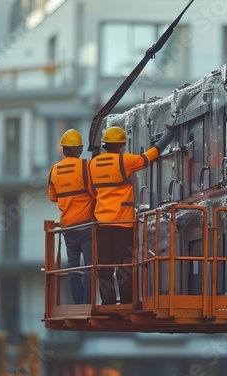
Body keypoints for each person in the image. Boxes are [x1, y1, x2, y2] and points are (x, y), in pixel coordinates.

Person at [89, 125, 174, 305]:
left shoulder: (93, 163)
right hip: (122, 221)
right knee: (125, 264)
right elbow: (150, 156)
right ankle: (127, 301)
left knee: (104, 265)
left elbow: (91, 192)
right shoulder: (124, 160)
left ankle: (108, 302)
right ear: (121, 146)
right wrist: (170, 134)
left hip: (101, 223)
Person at [47, 128, 95, 304]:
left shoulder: (54, 170)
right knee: (90, 266)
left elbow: (53, 197)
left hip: (68, 227)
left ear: (64, 150)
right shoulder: (86, 166)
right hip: (86, 225)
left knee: (73, 268)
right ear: (80, 149)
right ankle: (88, 303)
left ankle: (78, 303)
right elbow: (94, 192)